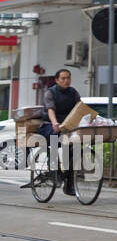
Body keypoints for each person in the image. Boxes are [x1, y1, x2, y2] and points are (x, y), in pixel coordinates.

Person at [43, 68, 80, 196]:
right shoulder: (50, 92)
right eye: (63, 78)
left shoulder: (73, 92)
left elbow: (79, 108)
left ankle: (69, 184)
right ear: (57, 80)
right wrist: (54, 123)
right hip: (50, 124)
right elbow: (50, 109)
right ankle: (55, 169)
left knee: (75, 149)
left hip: (67, 125)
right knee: (54, 137)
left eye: (68, 78)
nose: (66, 80)